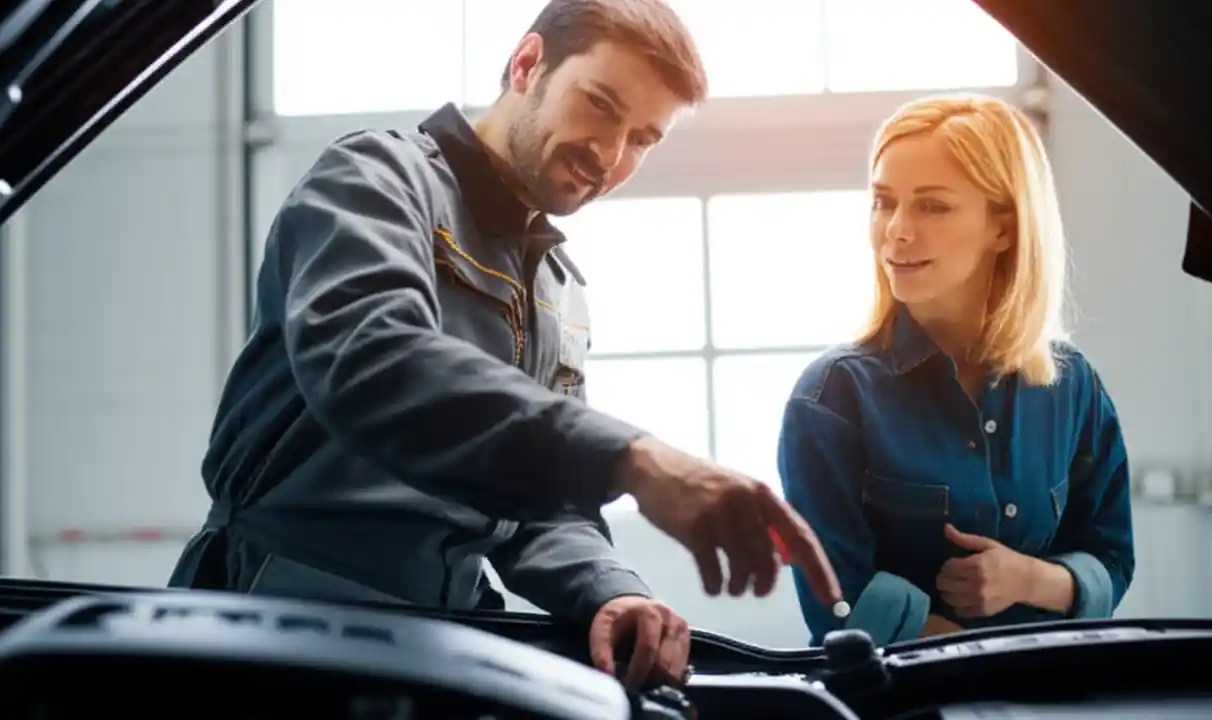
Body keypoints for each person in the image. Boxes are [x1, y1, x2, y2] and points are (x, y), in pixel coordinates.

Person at [167, 0, 841, 689]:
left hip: (447, 645)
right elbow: (372, 361)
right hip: (281, 632)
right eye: (601, 104)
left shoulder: (559, 289)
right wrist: (632, 458)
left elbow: (542, 502)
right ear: (527, 65)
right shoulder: (377, 180)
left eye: (642, 138)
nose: (610, 155)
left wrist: (613, 591)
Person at [778, 93, 1135, 648]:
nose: (895, 230)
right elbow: (834, 598)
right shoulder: (831, 398)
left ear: (1005, 228)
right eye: (883, 201)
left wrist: (1030, 578)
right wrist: (974, 658)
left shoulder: (1074, 388)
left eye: (932, 206)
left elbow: (1112, 556)